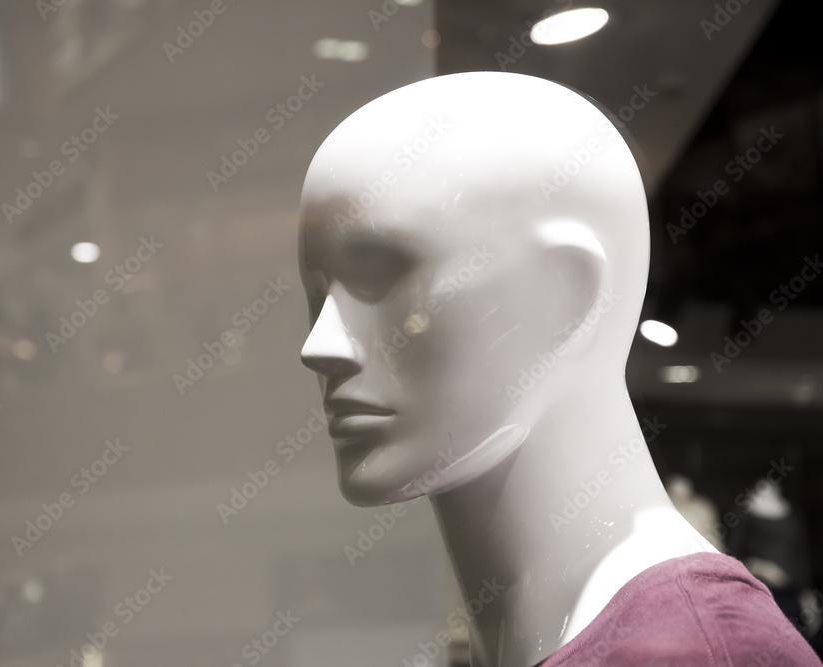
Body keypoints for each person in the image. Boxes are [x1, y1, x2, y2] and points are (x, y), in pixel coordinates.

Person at [297, 71, 820, 666]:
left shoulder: (696, 652)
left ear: (561, 296)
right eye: (317, 293)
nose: (319, 345)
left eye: (379, 280)